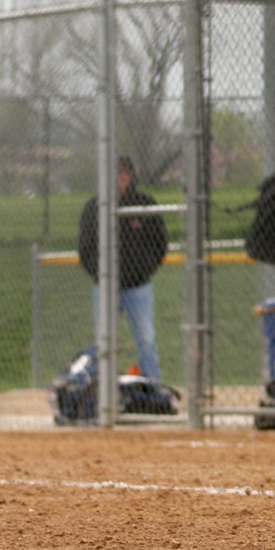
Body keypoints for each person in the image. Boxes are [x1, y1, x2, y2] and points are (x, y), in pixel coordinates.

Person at [78, 155, 169, 382]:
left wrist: (142, 271)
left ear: (130, 176)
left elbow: (160, 244)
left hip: (138, 287)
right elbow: (85, 248)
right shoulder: (94, 207)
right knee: (104, 341)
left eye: (123, 173)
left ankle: (152, 386)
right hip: (105, 288)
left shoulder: (144, 204)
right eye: (114, 174)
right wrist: (101, 275)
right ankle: (102, 389)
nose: (119, 179)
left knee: (146, 338)